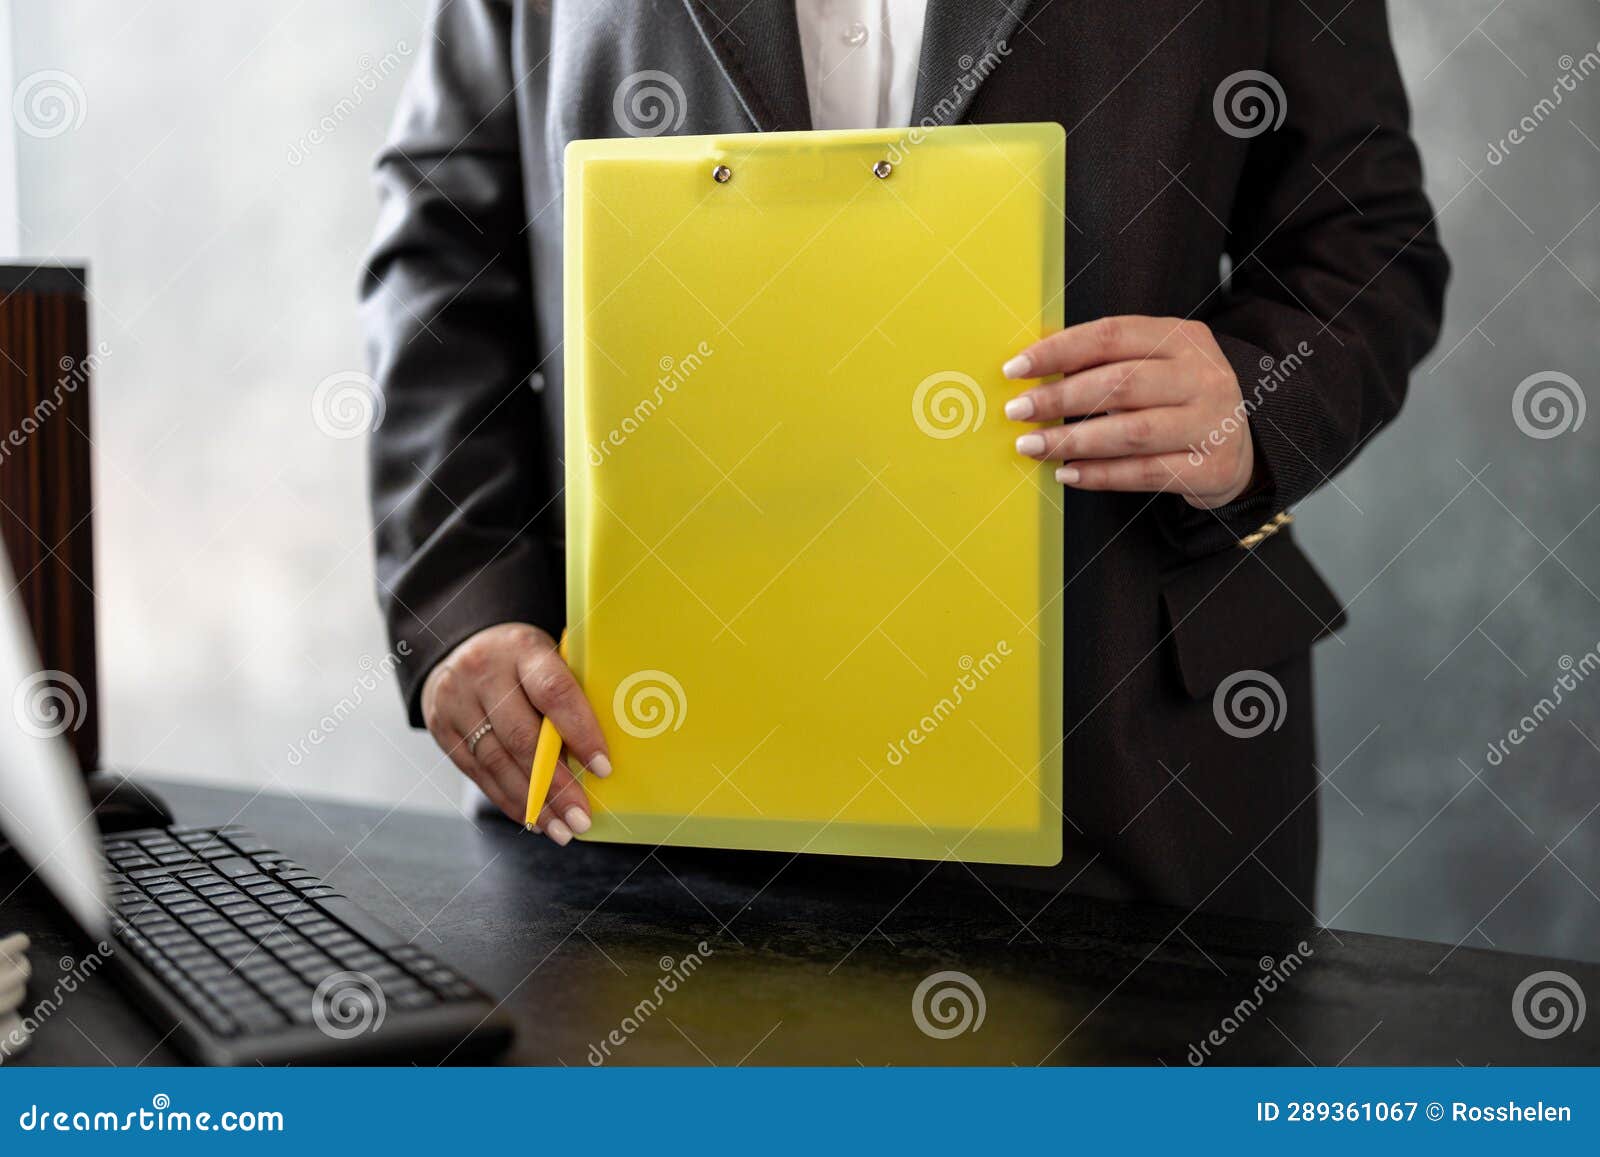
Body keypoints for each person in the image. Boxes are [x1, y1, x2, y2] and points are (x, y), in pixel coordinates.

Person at [361, 0, 1447, 921]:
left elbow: (1367, 241)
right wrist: (465, 604)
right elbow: (444, 247)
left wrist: (1255, 394)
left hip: (1129, 780)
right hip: (631, 771)